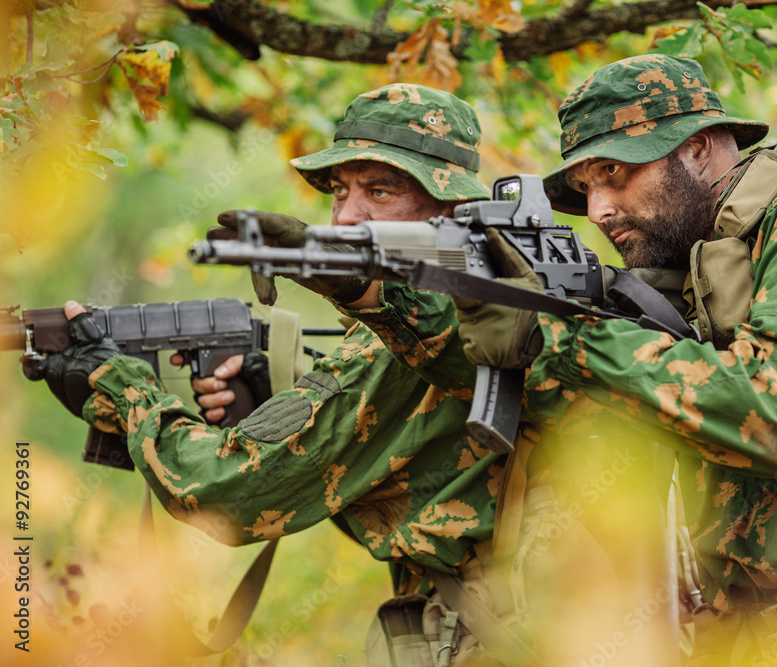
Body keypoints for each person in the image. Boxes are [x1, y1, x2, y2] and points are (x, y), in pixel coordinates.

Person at [342, 55, 777, 665]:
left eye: (615, 173)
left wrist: (568, 334)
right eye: (583, 186)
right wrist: (376, 296)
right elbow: (546, 396)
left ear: (698, 147)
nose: (598, 209)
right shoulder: (690, 270)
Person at [27, 84, 527, 664]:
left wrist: (117, 384)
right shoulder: (477, 313)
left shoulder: (419, 334)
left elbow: (223, 495)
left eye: (380, 191)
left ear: (448, 212)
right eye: (340, 192)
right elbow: (384, 491)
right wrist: (275, 399)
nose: (346, 216)